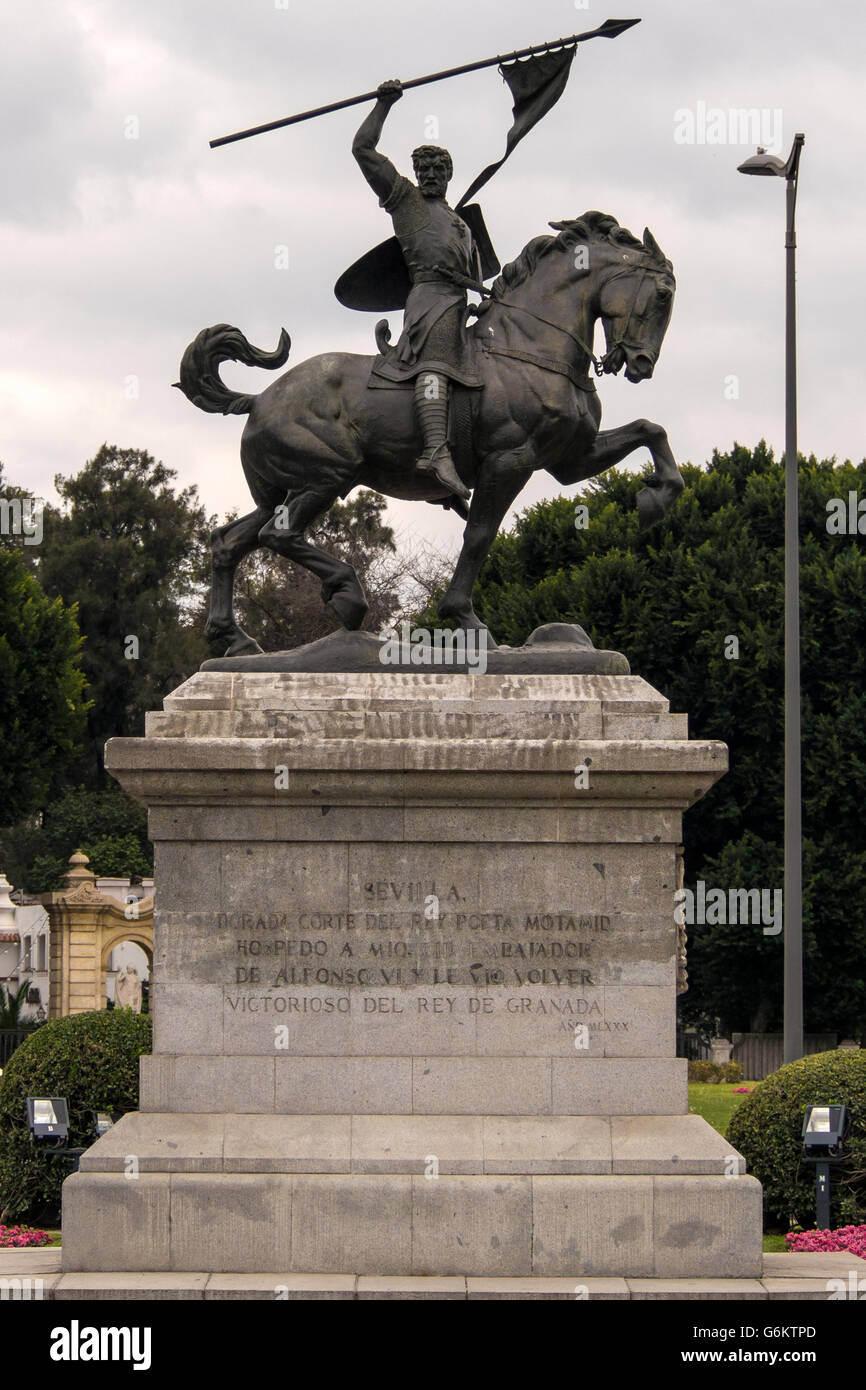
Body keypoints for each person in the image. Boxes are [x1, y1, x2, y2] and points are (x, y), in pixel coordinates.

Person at [352, 78, 482, 502]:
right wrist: (383, 105)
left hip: (462, 303)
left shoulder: (460, 222)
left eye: (437, 170)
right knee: (437, 360)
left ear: (449, 176)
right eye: (422, 169)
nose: (428, 175)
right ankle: (434, 450)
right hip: (431, 301)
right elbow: (363, 151)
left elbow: (477, 275)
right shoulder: (406, 202)